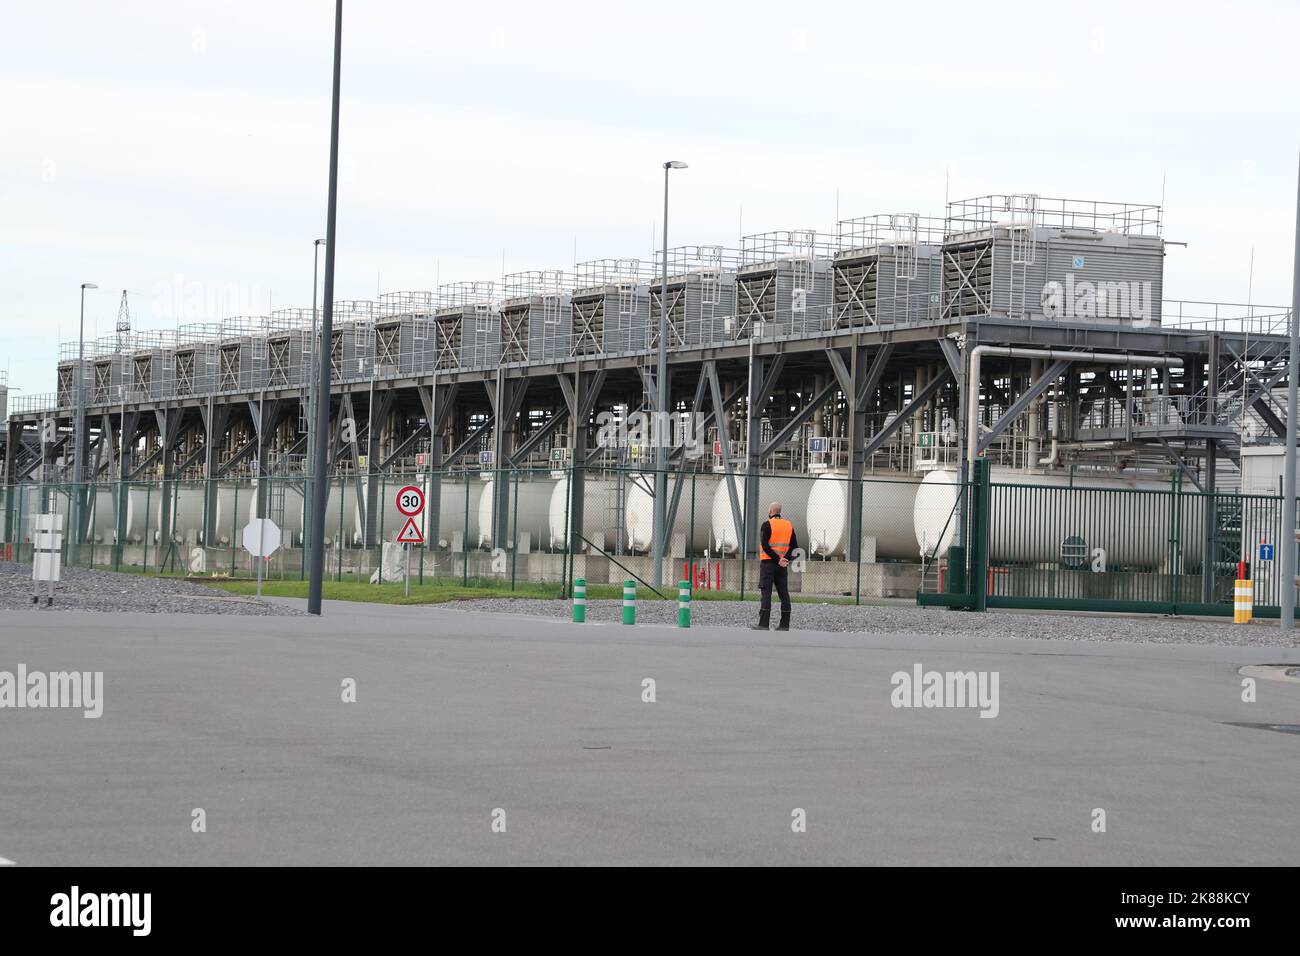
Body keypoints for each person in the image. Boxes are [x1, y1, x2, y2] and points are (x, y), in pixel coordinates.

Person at [752, 501, 797, 631]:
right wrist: (784, 559)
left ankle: (763, 624)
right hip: (782, 565)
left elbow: (765, 545)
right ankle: (784, 625)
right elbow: (794, 546)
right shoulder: (789, 525)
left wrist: (777, 559)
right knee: (784, 594)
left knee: (766, 593)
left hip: (768, 564)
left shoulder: (767, 525)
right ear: (780, 511)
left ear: (770, 511)